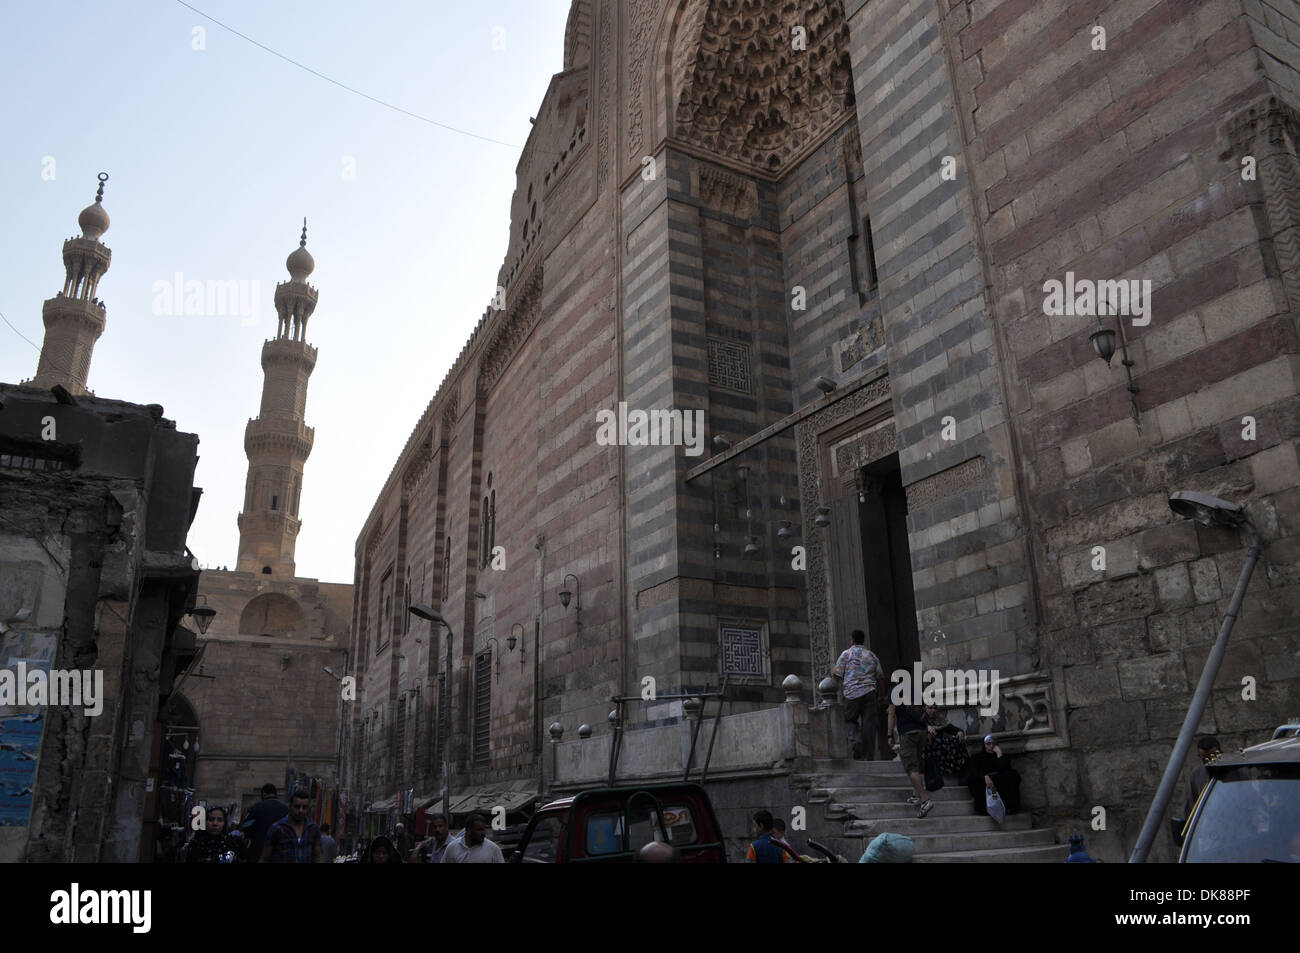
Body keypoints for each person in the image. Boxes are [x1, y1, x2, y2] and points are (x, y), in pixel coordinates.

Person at [831, 629, 884, 760]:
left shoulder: (846, 654)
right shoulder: (871, 655)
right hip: (869, 692)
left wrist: (833, 692)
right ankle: (868, 756)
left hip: (851, 694)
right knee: (869, 725)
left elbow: (836, 675)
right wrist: (881, 696)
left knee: (849, 720)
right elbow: (881, 677)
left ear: (852, 640)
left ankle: (856, 742)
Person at [887, 702, 935, 817]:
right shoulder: (916, 687)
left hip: (908, 733)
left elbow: (891, 714)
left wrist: (889, 735)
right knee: (917, 765)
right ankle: (915, 796)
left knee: (911, 767)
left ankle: (925, 800)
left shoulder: (895, 691)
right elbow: (925, 710)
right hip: (922, 732)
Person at [260, 788, 323, 863]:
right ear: (290, 806)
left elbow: (318, 856)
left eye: (304, 807)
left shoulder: (313, 829)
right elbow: (265, 857)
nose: (300, 810)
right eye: (297, 806)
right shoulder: (277, 828)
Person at [967, 734, 1021, 816]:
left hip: (998, 783)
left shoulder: (1001, 757)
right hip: (984, 784)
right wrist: (985, 777)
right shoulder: (977, 757)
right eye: (988, 744)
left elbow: (1004, 769)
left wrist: (999, 754)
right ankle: (985, 809)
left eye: (994, 744)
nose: (991, 746)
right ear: (984, 745)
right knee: (974, 780)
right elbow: (973, 772)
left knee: (1012, 774)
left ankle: (1008, 807)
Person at [240, 783, 288, 861]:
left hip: (259, 851)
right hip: (280, 852)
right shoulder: (286, 809)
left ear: (264, 793)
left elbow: (246, 826)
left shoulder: (257, 807)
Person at [922, 703, 968, 781]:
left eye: (935, 708)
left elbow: (952, 728)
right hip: (929, 745)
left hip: (941, 743)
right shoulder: (921, 719)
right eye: (930, 708)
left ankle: (960, 769)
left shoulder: (940, 719)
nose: (933, 710)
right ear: (925, 709)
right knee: (941, 745)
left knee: (958, 740)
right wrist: (927, 728)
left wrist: (959, 732)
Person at [1184, 736, 1221, 816]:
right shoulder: (1196, 774)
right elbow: (1192, 806)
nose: (1209, 762)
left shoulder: (1234, 771)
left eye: (1212, 757)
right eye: (1205, 758)